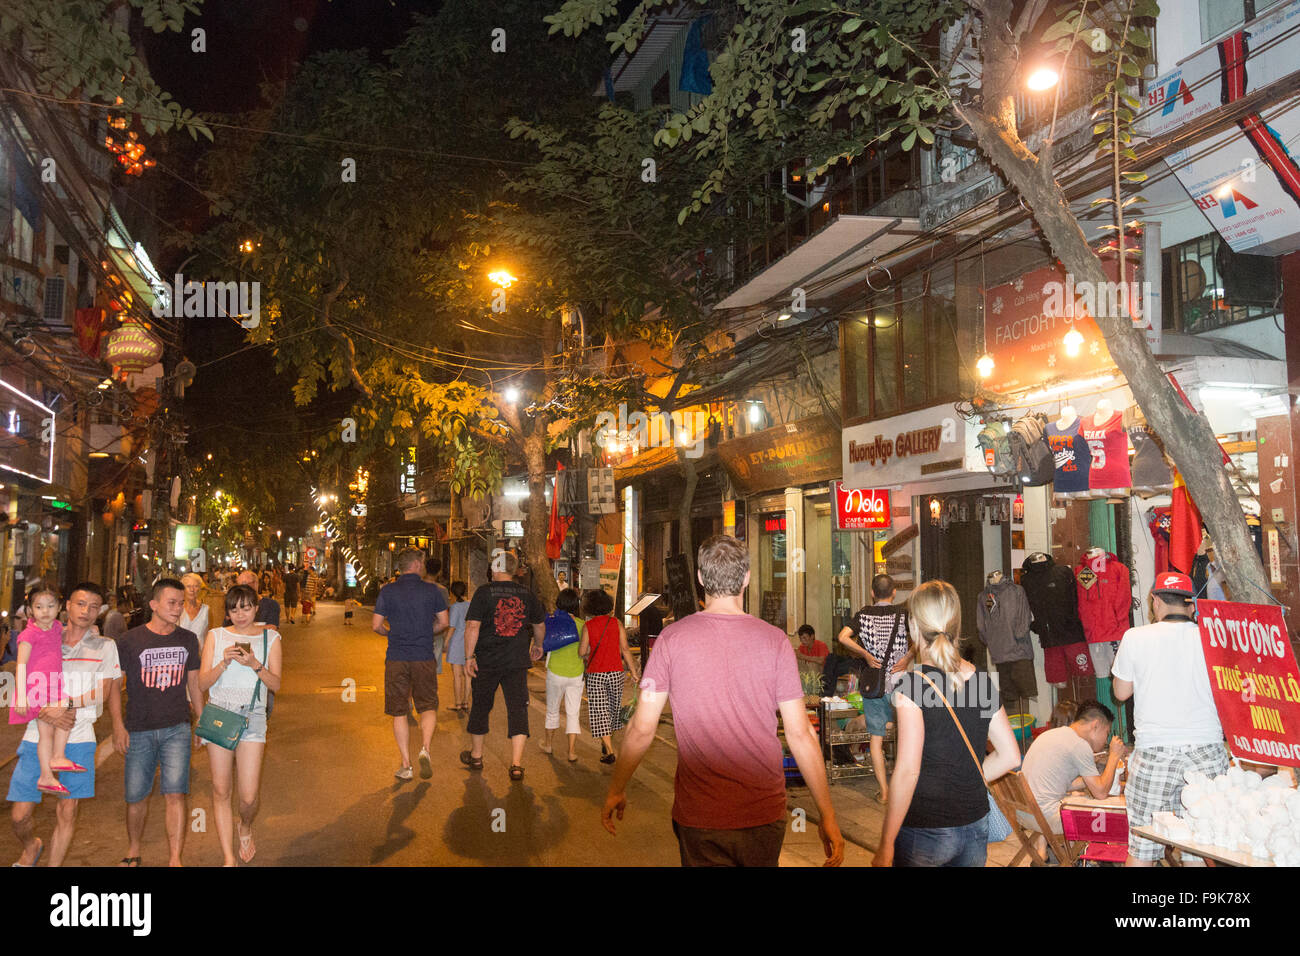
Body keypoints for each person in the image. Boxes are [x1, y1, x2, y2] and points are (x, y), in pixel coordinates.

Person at [602, 535, 844, 867]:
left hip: (700, 816)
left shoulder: (672, 639)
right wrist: (827, 814)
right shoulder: (775, 642)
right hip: (763, 813)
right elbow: (801, 734)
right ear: (747, 578)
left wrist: (617, 788)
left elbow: (641, 728)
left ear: (701, 578)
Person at [875, 580, 1020, 867]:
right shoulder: (981, 680)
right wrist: (966, 781)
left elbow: (907, 771)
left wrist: (886, 842)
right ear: (956, 624)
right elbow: (1011, 756)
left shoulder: (912, 686)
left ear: (913, 627)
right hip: (975, 822)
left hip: (925, 828)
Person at [1112, 572, 1228, 867]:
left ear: (1155, 601)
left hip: (1155, 751)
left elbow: (1121, 693)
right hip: (1206, 749)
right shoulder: (1213, 638)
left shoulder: (1135, 637)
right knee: (1200, 845)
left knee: (1142, 846)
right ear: (1192, 604)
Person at [9, 583, 125, 867]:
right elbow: (25, 676)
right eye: (81, 604)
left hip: (79, 736)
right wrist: (45, 711)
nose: (86, 611)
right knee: (19, 816)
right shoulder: (46, 636)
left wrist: (66, 705)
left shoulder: (105, 645)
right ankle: (32, 845)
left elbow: (102, 692)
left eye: (94, 607)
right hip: (37, 733)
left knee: (67, 810)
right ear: (68, 606)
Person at [116, 578, 203, 867]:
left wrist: (201, 720)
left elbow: (193, 683)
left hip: (177, 726)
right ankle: (133, 849)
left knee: (175, 793)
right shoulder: (130, 641)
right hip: (139, 728)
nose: (178, 609)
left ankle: (175, 858)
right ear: (154, 604)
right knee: (136, 796)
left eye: (181, 603)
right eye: (172, 603)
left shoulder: (188, 639)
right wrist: (117, 725)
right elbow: (116, 686)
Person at [198, 584, 283, 865]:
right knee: (221, 790)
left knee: (248, 797)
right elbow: (202, 684)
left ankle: (244, 825)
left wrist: (255, 664)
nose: (240, 614)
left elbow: (276, 684)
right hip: (220, 713)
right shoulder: (215, 636)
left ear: (256, 608)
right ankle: (228, 857)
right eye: (234, 609)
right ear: (227, 612)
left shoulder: (271, 638)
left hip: (252, 717)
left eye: (246, 608)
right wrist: (223, 662)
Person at [461, 550, 545, 781]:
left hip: (486, 661)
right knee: (518, 709)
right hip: (516, 661)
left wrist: (468, 657)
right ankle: (516, 764)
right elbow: (539, 624)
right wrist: (538, 645)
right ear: (514, 570)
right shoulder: (527, 594)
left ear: (495, 568)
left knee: (480, 706)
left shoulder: (483, 592)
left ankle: (476, 756)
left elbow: (472, 626)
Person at [836, 573, 913, 804]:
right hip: (899, 683)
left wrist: (866, 654)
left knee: (876, 739)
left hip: (875, 685)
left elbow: (843, 637)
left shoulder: (863, 615)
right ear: (894, 593)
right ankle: (905, 788)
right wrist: (907, 657)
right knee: (906, 735)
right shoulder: (903, 614)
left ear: (872, 593)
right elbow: (922, 638)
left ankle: (885, 792)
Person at [373, 549, 449, 780]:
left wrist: (390, 633)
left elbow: (376, 625)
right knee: (428, 706)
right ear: (416, 564)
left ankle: (406, 764)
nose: (424, 566)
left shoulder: (388, 591)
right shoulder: (432, 590)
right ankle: (425, 748)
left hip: (396, 657)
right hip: (423, 656)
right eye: (422, 562)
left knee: (399, 711)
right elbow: (444, 622)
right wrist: (426, 632)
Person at [9, 587, 78, 796]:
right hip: (37, 688)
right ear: (30, 610)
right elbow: (21, 665)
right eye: (39, 607)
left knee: (61, 718)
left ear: (59, 608)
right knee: (47, 731)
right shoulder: (29, 634)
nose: (45, 611)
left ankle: (54, 764)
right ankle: (49, 772)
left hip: (53, 686)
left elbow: (67, 631)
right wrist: (21, 696)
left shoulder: (56, 627)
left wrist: (92, 630)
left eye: (50, 606)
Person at [1021, 700, 1125, 837]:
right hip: (1047, 817)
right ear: (1095, 725)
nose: (1106, 740)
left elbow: (1060, 783)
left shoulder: (1051, 734)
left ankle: (1076, 848)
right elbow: (1101, 794)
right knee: (1121, 807)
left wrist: (1093, 780)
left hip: (1024, 814)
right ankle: (1103, 849)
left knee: (1083, 797)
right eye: (1107, 733)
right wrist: (1114, 756)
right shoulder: (1079, 745)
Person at [579, 589, 639, 764]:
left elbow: (582, 652)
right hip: (616, 673)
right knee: (612, 709)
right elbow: (625, 649)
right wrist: (634, 672)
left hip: (596, 674)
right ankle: (607, 743)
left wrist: (589, 651)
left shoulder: (588, 626)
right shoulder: (617, 623)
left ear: (589, 607)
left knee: (600, 711)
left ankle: (610, 751)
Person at [542, 587, 585, 762]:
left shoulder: (552, 621)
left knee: (552, 710)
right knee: (573, 713)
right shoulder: (582, 625)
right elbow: (585, 651)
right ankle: (571, 752)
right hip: (576, 673)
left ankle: (548, 744)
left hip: (555, 672)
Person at [445, 581, 471, 711]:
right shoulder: (470, 605)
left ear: (452, 593)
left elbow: (452, 627)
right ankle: (466, 702)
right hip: (469, 642)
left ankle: (458, 703)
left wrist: (446, 642)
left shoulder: (455, 607)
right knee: (467, 674)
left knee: (457, 676)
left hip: (456, 642)